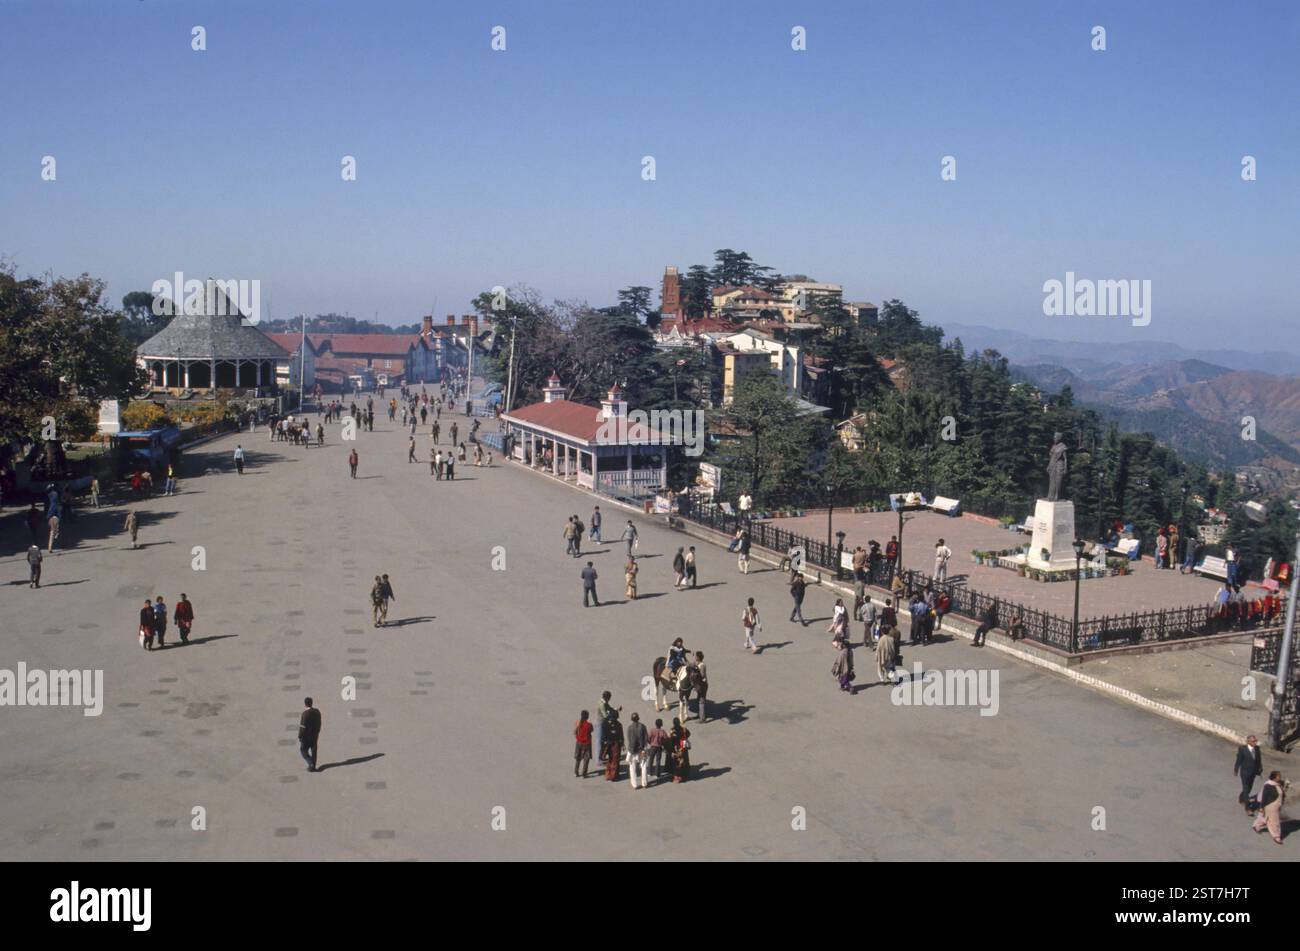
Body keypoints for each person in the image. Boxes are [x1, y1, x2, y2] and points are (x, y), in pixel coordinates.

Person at [1252, 771, 1285, 844]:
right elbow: (1264, 797)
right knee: (1274, 821)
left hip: (1276, 805)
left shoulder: (1278, 784)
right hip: (1271, 805)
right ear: (1274, 777)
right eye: (1278, 776)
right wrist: (1262, 807)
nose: (1280, 777)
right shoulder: (1268, 785)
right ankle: (1276, 836)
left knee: (1267, 817)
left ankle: (1256, 825)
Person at [1235, 735, 1264, 813]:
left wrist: (1260, 769)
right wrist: (1236, 769)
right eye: (1253, 741)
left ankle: (1241, 798)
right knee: (1246, 788)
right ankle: (1248, 808)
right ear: (1248, 742)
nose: (1255, 742)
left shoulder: (1257, 749)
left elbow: (1258, 760)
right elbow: (1239, 760)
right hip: (1245, 773)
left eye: (1256, 741)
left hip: (1253, 772)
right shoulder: (1242, 749)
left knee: (1249, 788)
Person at [625, 712, 649, 789]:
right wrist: (643, 748)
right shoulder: (643, 726)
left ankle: (634, 784)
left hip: (632, 750)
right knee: (644, 766)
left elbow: (629, 738)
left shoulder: (629, 728)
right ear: (638, 718)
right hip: (641, 750)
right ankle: (644, 783)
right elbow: (646, 738)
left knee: (632, 767)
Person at [299, 697, 322, 772]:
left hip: (306, 737)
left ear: (305, 704)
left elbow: (303, 727)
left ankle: (310, 763)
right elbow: (319, 723)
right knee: (314, 750)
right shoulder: (317, 711)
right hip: (315, 735)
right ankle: (313, 765)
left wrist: (300, 736)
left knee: (303, 750)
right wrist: (317, 731)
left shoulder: (305, 714)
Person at [603, 709, 624, 782]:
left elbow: (604, 735)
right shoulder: (619, 725)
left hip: (608, 745)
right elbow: (621, 736)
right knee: (615, 760)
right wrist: (623, 744)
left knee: (609, 759)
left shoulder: (606, 723)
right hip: (616, 745)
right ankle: (613, 776)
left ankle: (607, 774)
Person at [669, 718, 691, 783]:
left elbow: (671, 741)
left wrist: (672, 751)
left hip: (676, 749)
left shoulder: (672, 731)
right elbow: (689, 734)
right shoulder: (684, 729)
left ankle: (676, 777)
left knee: (676, 763)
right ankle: (683, 776)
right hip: (683, 748)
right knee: (684, 762)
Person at [574, 711, 593, 778]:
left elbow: (575, 732)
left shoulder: (578, 723)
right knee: (586, 759)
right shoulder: (589, 725)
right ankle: (584, 773)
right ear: (587, 717)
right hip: (587, 744)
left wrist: (578, 737)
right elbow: (591, 730)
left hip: (579, 743)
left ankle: (576, 772)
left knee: (578, 758)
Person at [692, 651, 709, 722]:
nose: (695, 657)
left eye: (696, 656)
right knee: (699, 699)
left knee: (701, 701)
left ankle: (702, 718)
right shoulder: (697, 663)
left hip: (702, 685)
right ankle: (700, 714)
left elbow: (702, 675)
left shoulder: (702, 665)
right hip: (698, 685)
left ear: (698, 658)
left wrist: (696, 669)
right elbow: (691, 664)